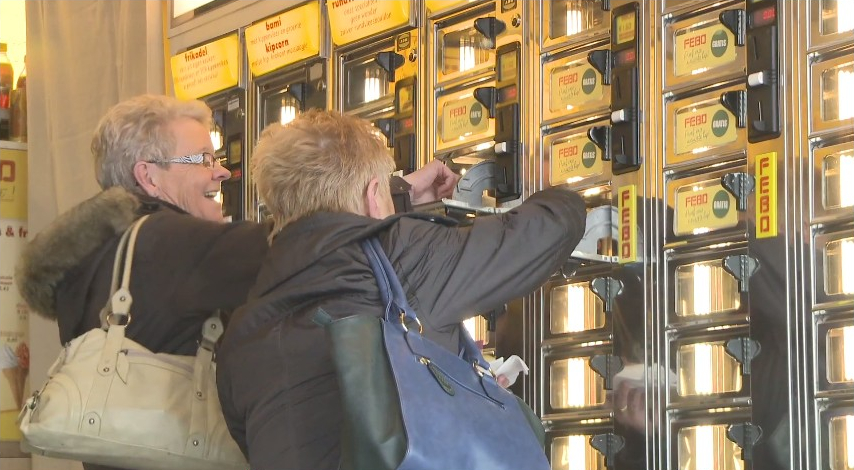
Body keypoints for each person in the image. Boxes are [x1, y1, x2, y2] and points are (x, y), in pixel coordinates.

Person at [14, 94, 456, 470]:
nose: (222, 171)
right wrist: (387, 195)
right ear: (148, 175)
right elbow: (301, 247)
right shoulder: (165, 243)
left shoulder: (98, 257)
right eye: (202, 159)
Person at [216, 109, 588, 470]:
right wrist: (552, 186)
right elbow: (545, 232)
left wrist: (400, 198)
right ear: (374, 193)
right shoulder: (404, 257)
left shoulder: (243, 327)